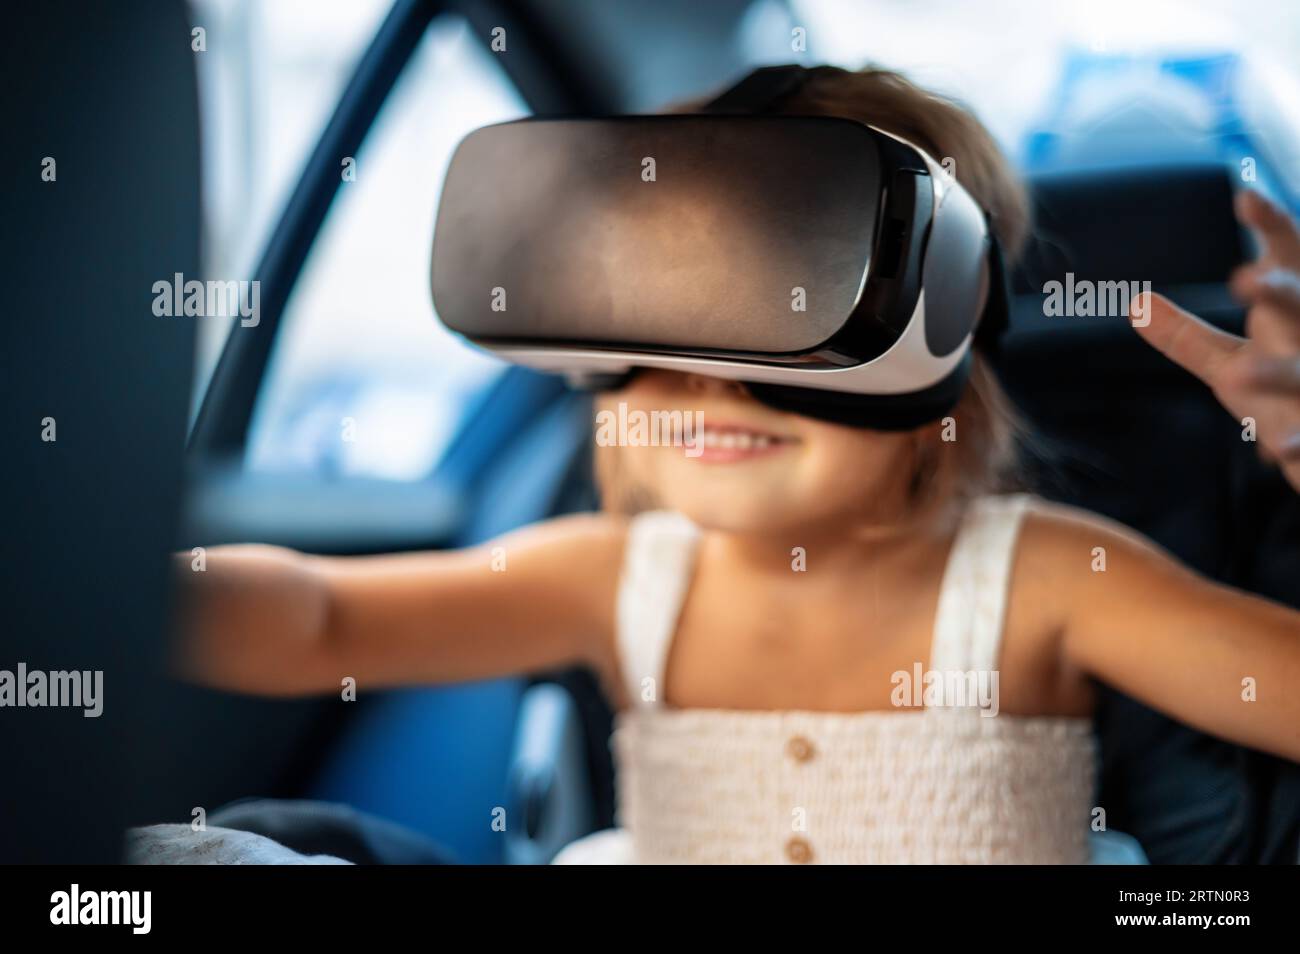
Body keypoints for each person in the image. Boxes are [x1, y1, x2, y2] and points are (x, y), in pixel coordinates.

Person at [163, 66, 1300, 864]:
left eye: (790, 307)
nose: (702, 381)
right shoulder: (612, 576)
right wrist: (97, 577)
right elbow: (316, 619)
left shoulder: (1046, 580)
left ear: (948, 337)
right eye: (658, 319)